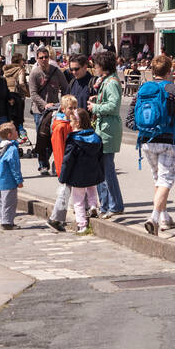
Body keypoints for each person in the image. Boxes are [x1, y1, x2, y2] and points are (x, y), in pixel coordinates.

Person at [125, 54, 175, 237]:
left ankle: (165, 217)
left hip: (145, 142)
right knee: (166, 180)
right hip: (167, 140)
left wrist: (145, 127)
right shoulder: (174, 90)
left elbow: (128, 121)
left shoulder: (142, 89)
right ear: (170, 71)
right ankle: (154, 218)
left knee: (158, 179)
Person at [90, 50, 125, 218]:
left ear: (102, 66)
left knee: (107, 171)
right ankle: (105, 205)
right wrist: (96, 101)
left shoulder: (111, 82)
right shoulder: (106, 81)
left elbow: (113, 106)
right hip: (103, 128)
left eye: (96, 65)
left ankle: (115, 204)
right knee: (102, 170)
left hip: (108, 130)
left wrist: (95, 108)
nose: (94, 68)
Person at [61, 108, 105, 233]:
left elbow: (67, 160)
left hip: (78, 174)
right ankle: (92, 206)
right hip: (93, 172)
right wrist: (100, 173)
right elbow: (101, 158)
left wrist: (63, 177)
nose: (69, 123)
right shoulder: (96, 138)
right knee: (92, 189)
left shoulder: (73, 139)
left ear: (77, 123)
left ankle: (82, 224)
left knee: (78, 200)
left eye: (71, 121)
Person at [44, 95, 81, 231]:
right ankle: (55, 218)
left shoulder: (70, 124)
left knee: (67, 191)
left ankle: (59, 218)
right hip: (66, 164)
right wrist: (62, 168)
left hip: (72, 162)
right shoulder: (60, 127)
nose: (73, 111)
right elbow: (59, 150)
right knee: (65, 192)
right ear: (63, 109)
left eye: (75, 108)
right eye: (70, 108)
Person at [28, 47, 67, 175]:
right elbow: (33, 94)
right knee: (41, 138)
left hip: (55, 111)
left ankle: (51, 161)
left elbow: (66, 88)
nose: (44, 60)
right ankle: (43, 165)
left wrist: (63, 104)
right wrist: (45, 105)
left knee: (53, 138)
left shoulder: (56, 71)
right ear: (37, 59)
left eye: (46, 57)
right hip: (39, 111)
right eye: (41, 57)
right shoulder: (35, 73)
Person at [0, 121, 24, 230]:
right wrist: (19, 180)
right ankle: (7, 222)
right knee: (10, 203)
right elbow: (14, 167)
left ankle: (3, 219)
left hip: (1, 180)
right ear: (10, 135)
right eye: (15, 130)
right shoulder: (11, 149)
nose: (17, 132)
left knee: (2, 202)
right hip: (9, 180)